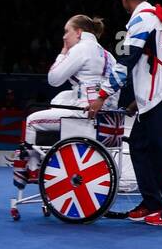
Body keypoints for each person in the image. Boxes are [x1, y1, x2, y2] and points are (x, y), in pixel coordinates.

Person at [90, 0, 162, 227]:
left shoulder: (142, 19)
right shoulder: (153, 17)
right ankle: (152, 203)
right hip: (155, 96)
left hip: (161, 95)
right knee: (139, 146)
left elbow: (126, 62)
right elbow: (146, 62)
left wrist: (102, 95)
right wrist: (136, 101)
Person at [12, 15, 118, 189]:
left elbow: (53, 79)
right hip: (108, 119)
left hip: (85, 117)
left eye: (66, 32)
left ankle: (33, 169)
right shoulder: (106, 54)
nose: (64, 37)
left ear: (78, 32)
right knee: (59, 99)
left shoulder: (81, 49)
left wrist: (62, 53)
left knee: (32, 120)